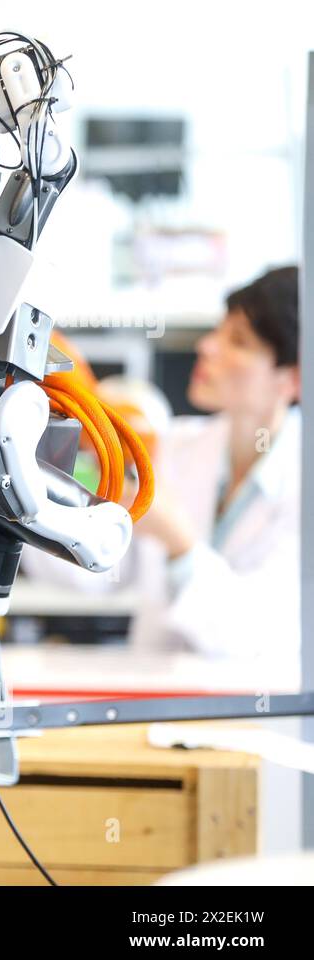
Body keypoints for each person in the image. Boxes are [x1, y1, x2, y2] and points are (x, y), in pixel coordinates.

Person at [127, 266, 300, 671]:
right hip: (152, 699)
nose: (207, 346)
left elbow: (256, 636)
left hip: (255, 719)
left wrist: (179, 542)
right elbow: (99, 573)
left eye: (237, 341)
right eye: (218, 330)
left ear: (293, 378)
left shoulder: (301, 482)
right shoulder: (176, 446)